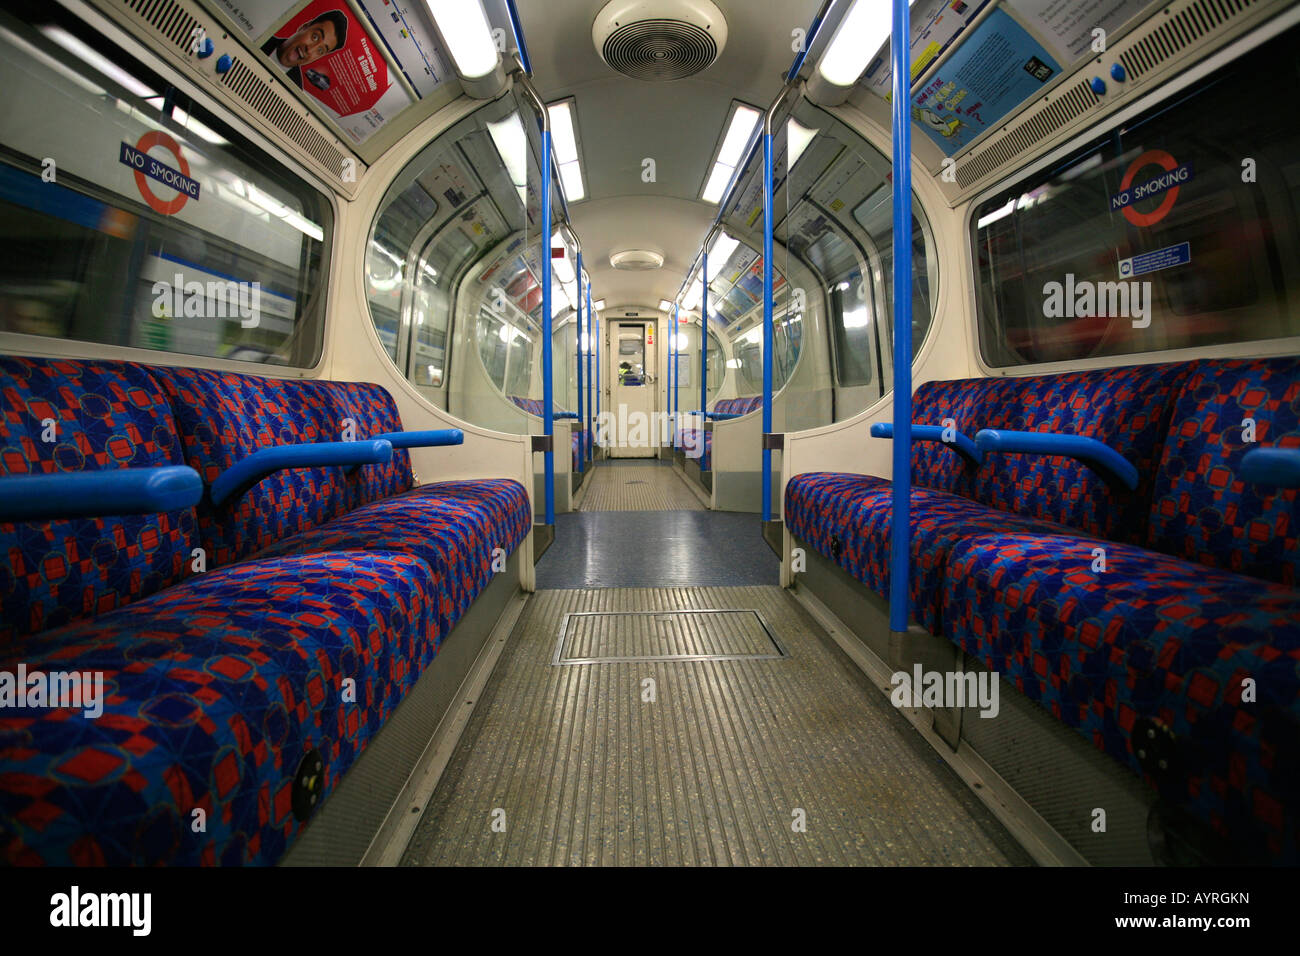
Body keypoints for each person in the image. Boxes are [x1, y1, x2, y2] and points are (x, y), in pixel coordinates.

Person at [261, 10, 348, 88]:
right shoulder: (259, 39)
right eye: (315, 37)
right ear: (304, 27)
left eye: (320, 50)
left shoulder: (296, 89)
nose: (309, 50)